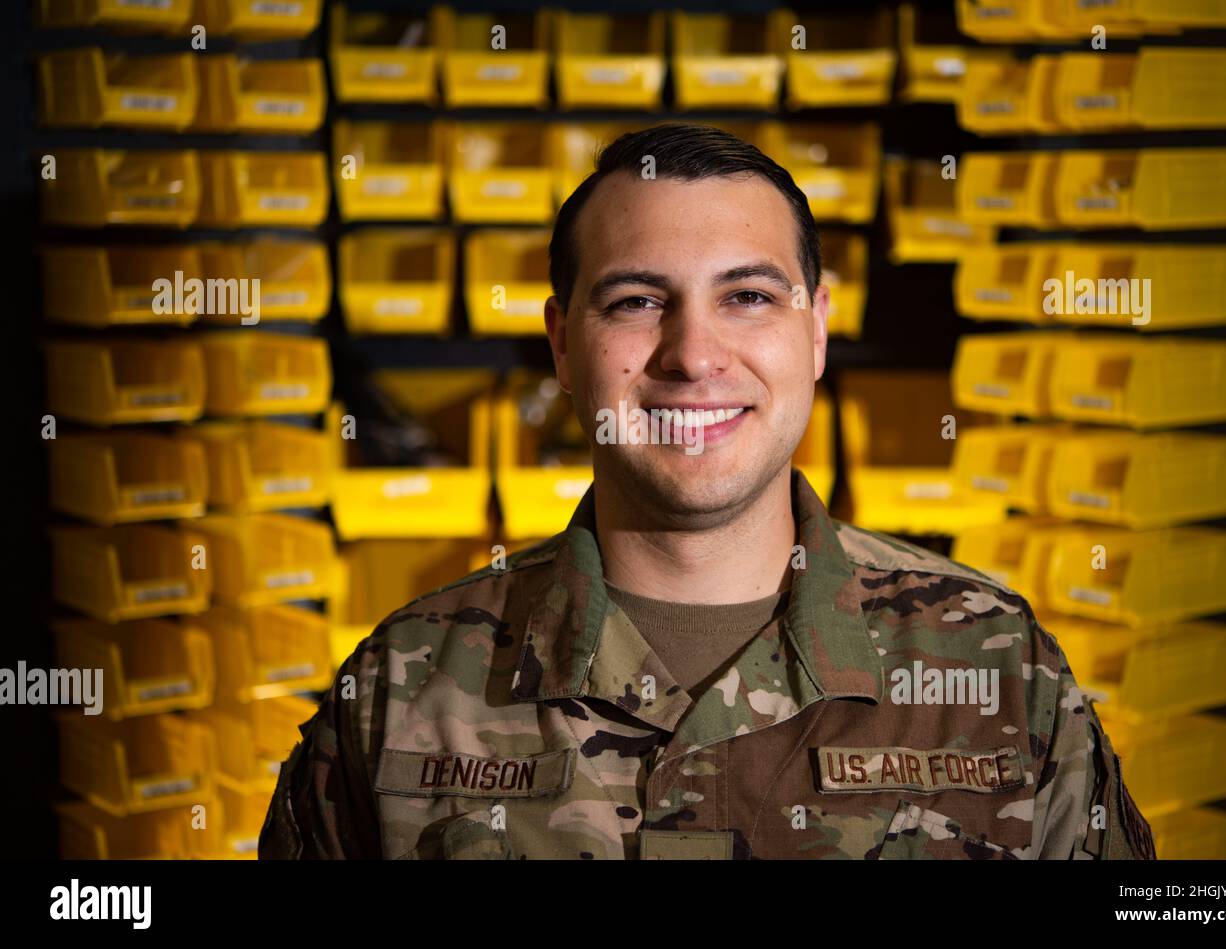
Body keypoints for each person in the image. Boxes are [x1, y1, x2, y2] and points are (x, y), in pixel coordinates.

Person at [260, 124, 1155, 860]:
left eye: (750, 297)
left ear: (816, 333)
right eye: (637, 301)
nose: (692, 355)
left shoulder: (1001, 670)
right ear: (563, 347)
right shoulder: (399, 693)